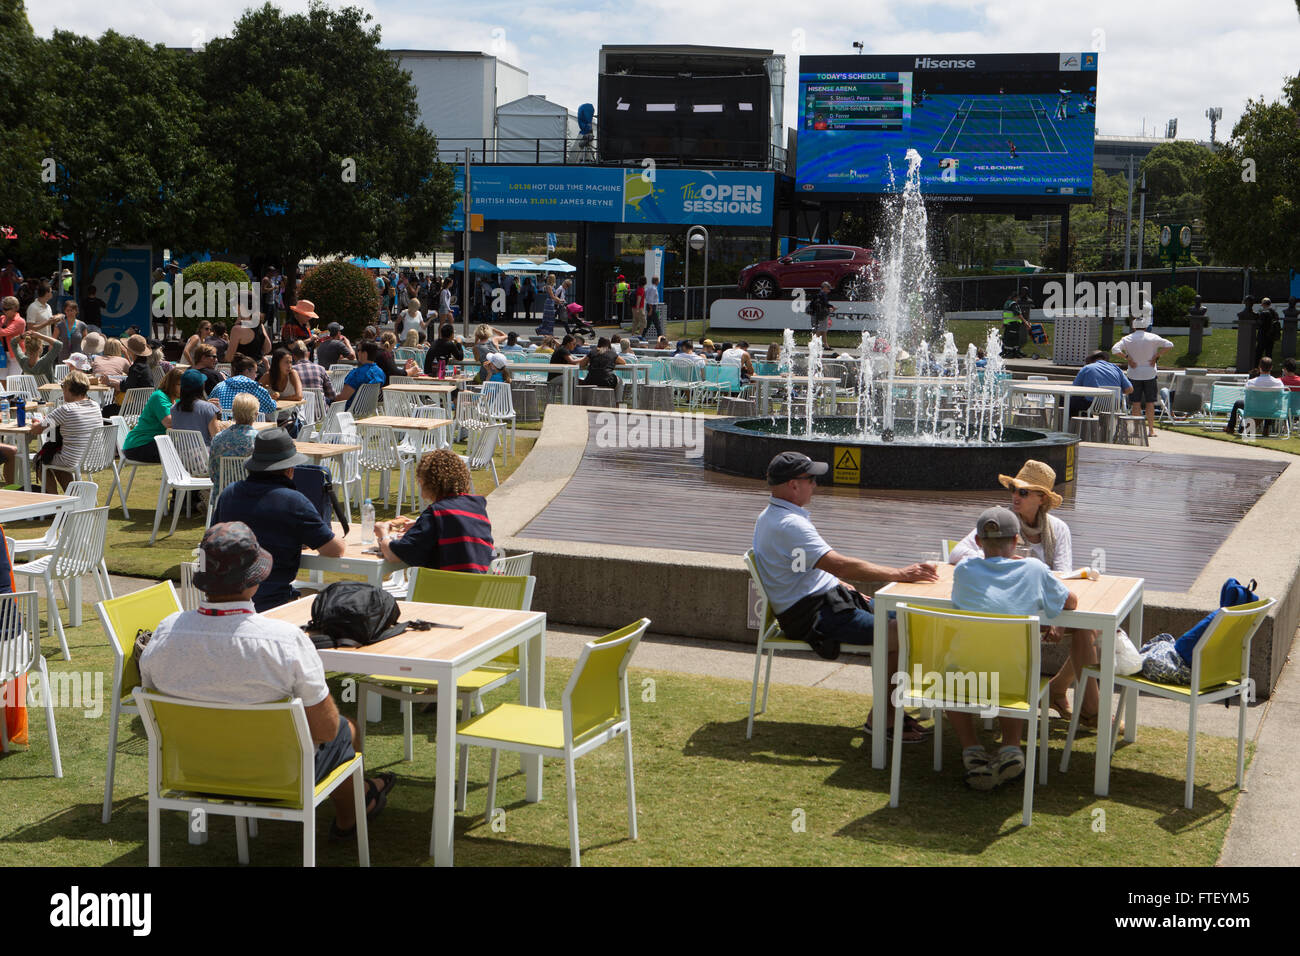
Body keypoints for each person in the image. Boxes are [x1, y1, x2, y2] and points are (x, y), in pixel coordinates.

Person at [138, 521, 396, 838]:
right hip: (278, 776)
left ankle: (364, 796)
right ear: (254, 581)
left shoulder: (165, 632)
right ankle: (351, 816)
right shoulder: (284, 640)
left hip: (193, 770)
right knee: (345, 730)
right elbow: (327, 730)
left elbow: (151, 693)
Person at [752, 451, 938, 739]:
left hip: (823, 602)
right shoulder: (791, 524)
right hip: (815, 615)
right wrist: (901, 573)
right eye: (811, 479)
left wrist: (838, 583)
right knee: (904, 631)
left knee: (906, 620)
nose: (815, 485)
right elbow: (838, 562)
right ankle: (884, 718)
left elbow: (809, 567)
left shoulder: (772, 516)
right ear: (793, 484)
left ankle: (889, 713)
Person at [948, 460, 1100, 725]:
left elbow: (1061, 576)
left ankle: (1074, 699)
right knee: (1088, 628)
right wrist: (997, 560)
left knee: (1090, 630)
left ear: (1042, 499)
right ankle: (1077, 703)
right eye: (1014, 489)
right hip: (1010, 610)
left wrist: (1057, 617)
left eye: (1023, 492)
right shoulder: (1001, 524)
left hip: (1040, 606)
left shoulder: (1058, 529)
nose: (1015, 496)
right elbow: (958, 552)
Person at [948, 506, 1079, 790]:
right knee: (1013, 666)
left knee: (953, 667)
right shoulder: (1033, 569)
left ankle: (971, 749)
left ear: (979, 542)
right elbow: (1070, 603)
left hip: (964, 677)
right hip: (1014, 679)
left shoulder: (964, 571)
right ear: (1017, 540)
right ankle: (1010, 747)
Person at [211, 429, 346, 611]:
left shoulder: (229, 493)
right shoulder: (294, 501)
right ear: (290, 470)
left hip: (223, 599)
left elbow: (213, 539)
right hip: (272, 604)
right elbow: (335, 550)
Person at [373, 449, 494, 571]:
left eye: (420, 482)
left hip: (450, 587)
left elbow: (394, 555)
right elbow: (460, 527)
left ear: (428, 483)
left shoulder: (435, 514)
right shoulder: (476, 507)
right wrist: (419, 524)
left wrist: (383, 533)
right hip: (483, 586)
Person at [1111, 310, 1173, 438]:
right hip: (1150, 373)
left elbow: (1114, 350)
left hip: (1134, 373)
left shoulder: (1127, 338)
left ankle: (1136, 430)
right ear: (1146, 326)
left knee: (1136, 403)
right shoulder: (1153, 337)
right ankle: (1151, 430)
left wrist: (1127, 357)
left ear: (1133, 327)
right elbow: (1169, 344)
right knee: (1150, 403)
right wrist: (1156, 356)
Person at [41, 370, 103, 491]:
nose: (62, 390)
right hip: (95, 458)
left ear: (68, 388)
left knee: (41, 460)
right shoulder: (95, 405)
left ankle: (53, 504)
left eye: (63, 387)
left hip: (74, 459)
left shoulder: (66, 409)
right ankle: (74, 498)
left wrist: (35, 422)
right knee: (57, 461)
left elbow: (39, 428)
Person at [122, 368, 183, 463]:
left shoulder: (178, 399)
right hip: (139, 445)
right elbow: (168, 422)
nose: (184, 388)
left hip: (156, 442)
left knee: (190, 448)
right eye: (180, 385)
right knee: (186, 452)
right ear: (170, 384)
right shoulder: (159, 396)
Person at [1224, 356, 1286, 435]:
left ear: (1260, 367)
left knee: (1238, 403)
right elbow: (1280, 400)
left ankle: (1230, 427)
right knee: (1269, 403)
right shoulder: (1278, 383)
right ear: (1271, 368)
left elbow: (1247, 399)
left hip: (1254, 409)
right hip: (1271, 410)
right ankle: (1266, 428)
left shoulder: (1251, 383)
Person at [210, 353, 278, 419]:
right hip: (250, 428)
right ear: (247, 371)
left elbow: (209, 406)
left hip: (223, 427)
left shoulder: (219, 386)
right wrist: (273, 400)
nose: (255, 376)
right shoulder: (255, 388)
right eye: (255, 372)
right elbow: (271, 408)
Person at [1068, 350, 1133, 418]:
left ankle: (1079, 425)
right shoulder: (1117, 368)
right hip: (1114, 405)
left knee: (1069, 401)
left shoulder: (1087, 368)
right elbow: (1130, 389)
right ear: (1105, 359)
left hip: (1094, 405)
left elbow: (1074, 389)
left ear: (1090, 360)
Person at [208, 392, 259, 477]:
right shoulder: (260, 441)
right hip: (250, 489)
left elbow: (212, 473)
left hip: (222, 489)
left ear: (233, 413)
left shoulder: (218, 438)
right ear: (256, 415)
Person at [164, 369, 221, 443]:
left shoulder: (174, 408)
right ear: (201, 386)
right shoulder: (209, 408)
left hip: (181, 453)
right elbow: (217, 439)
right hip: (205, 453)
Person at [339, 340, 386, 410]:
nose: (357, 353)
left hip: (350, 411)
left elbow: (342, 398)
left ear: (364, 353)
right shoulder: (380, 373)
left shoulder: (356, 374)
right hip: (369, 410)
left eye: (358, 350)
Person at [287, 339, 335, 403]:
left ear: (293, 356)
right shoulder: (321, 369)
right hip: (320, 411)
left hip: (299, 411)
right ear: (308, 354)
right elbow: (332, 395)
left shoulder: (290, 371)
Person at [1255, 298, 1280, 366]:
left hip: (1263, 336)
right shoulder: (1274, 312)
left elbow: (1260, 324)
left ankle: (1256, 368)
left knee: (1258, 353)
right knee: (1269, 353)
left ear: (1263, 304)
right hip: (1271, 336)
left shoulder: (1263, 313)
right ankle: (1268, 368)